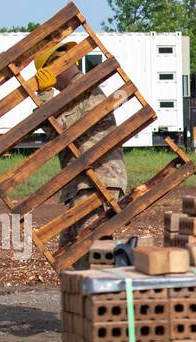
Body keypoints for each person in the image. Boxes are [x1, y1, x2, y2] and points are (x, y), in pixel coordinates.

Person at [34, 43, 128, 252]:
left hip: (98, 180)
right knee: (68, 254)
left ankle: (107, 283)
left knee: (88, 251)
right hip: (85, 182)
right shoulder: (74, 93)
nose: (52, 82)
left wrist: (45, 95)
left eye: (49, 75)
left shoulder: (84, 90)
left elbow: (59, 131)